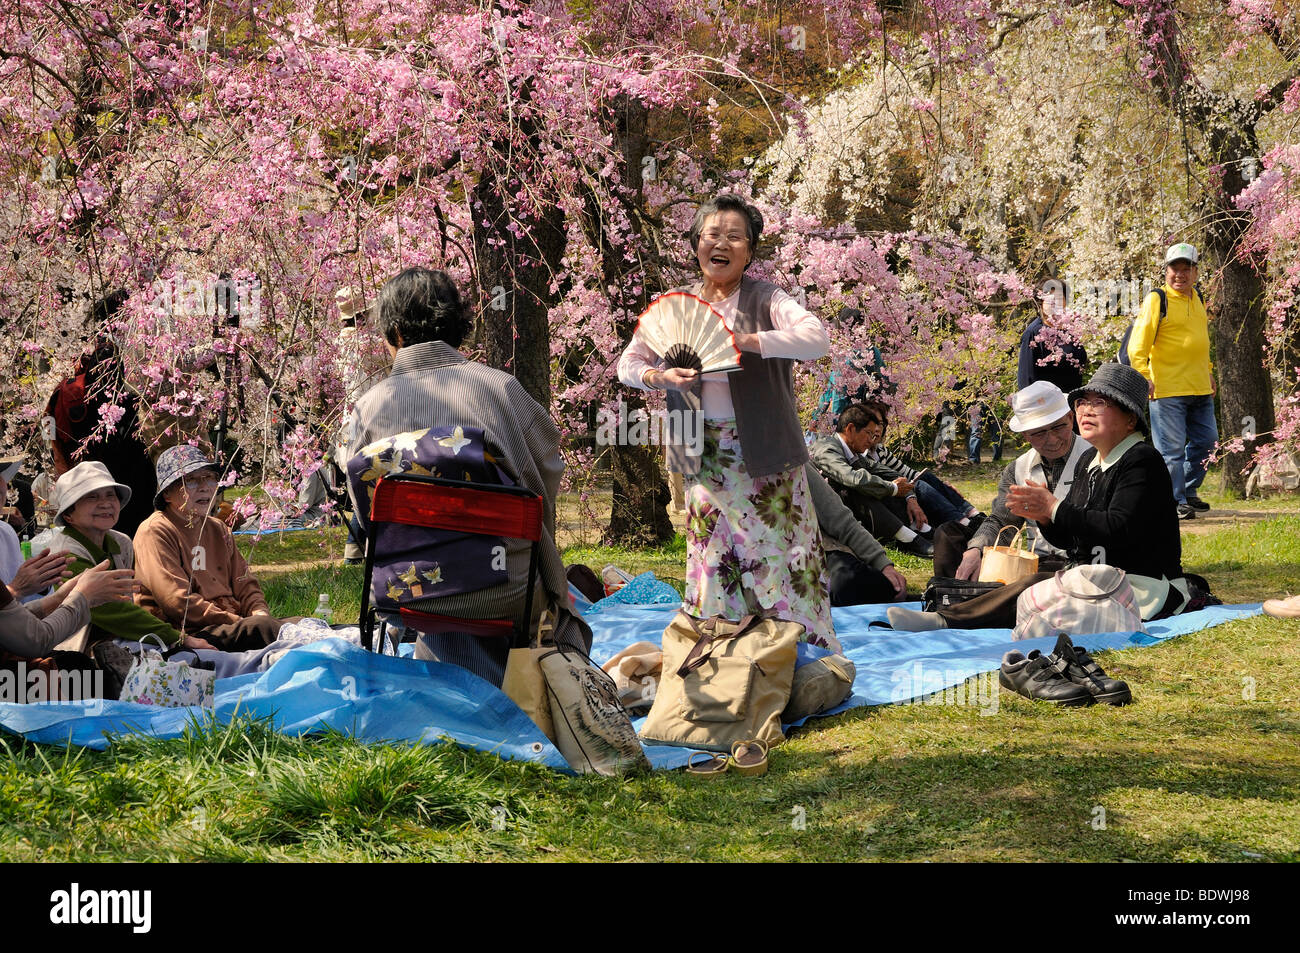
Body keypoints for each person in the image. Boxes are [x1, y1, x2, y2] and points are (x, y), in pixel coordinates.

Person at [346, 267, 591, 684]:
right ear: (456, 325)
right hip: (511, 588)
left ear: (395, 334)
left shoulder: (370, 407)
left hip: (412, 593)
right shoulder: (503, 389)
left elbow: (368, 512)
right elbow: (545, 478)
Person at [618, 193, 837, 650]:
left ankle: (791, 652)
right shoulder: (676, 306)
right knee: (713, 554)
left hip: (765, 451)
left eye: (734, 237)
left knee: (778, 556)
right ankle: (719, 650)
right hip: (704, 454)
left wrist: (747, 340)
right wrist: (660, 375)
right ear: (697, 244)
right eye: (712, 234)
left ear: (750, 251)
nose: (721, 243)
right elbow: (628, 364)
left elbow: (817, 339)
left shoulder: (766, 298)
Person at [889, 363, 1191, 630]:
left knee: (1037, 583)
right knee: (959, 539)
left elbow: (1117, 528)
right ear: (1025, 436)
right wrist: (1043, 518)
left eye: (1100, 403)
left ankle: (948, 616)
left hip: (1134, 583)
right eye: (1083, 402)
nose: (1086, 409)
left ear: (1131, 419)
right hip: (1083, 569)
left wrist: (1053, 507)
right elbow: (1058, 532)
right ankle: (952, 599)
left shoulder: (1140, 460)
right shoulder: (1078, 462)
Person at [45, 461, 214, 652]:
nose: (106, 503)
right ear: (69, 514)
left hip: (125, 639)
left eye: (111, 495)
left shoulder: (122, 543)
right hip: (80, 651)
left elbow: (126, 604)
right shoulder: (65, 555)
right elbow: (114, 612)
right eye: (92, 497)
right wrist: (177, 638)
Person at [134, 445, 288, 650]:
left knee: (306, 627)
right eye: (191, 480)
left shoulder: (218, 528)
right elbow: (177, 602)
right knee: (275, 631)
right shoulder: (155, 530)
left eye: (209, 478)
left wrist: (259, 613)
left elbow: (245, 583)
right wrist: (240, 622)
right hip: (189, 632)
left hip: (236, 624)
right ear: (167, 494)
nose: (204, 487)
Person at [936, 381, 1093, 579]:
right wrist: (976, 550)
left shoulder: (1096, 457)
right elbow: (1002, 519)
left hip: (1082, 564)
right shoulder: (1018, 469)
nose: (1052, 439)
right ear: (1025, 435)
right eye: (1039, 433)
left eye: (1058, 427)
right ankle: (952, 597)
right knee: (950, 536)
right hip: (1035, 563)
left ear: (1071, 419)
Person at [1127, 242, 1216, 520]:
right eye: (1174, 269)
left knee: (1208, 442)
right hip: (1167, 389)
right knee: (1171, 452)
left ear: (1196, 272)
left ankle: (1187, 490)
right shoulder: (1157, 299)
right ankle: (1173, 500)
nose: (1180, 274)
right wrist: (1143, 376)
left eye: (1186, 268)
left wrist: (1209, 370)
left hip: (1200, 386)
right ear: (1165, 271)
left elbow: (1201, 342)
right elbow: (1136, 345)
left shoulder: (1198, 298)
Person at [806, 464, 907, 605]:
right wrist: (893, 488)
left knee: (848, 582)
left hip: (812, 551)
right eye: (873, 439)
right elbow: (853, 477)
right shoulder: (827, 449)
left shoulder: (794, 461)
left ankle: (913, 536)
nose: (871, 441)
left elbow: (839, 518)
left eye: (878, 439)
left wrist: (882, 564)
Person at [1017, 290, 1088, 393]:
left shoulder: (1068, 328)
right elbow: (1026, 378)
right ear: (1041, 303)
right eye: (1050, 300)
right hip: (1047, 403)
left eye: (1059, 298)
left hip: (1073, 400)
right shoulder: (1034, 332)